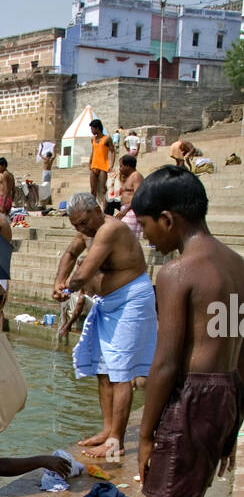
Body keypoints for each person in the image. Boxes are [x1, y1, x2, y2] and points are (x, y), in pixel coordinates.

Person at [94, 168, 244, 497]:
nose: (145, 238)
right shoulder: (238, 266)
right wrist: (235, 421)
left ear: (168, 218)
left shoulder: (177, 272)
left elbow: (163, 365)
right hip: (225, 395)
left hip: (191, 398)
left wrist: (144, 434)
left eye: (147, 226)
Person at [52, 193, 157, 460]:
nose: (82, 230)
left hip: (130, 300)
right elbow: (70, 253)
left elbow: (86, 272)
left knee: (121, 372)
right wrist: (59, 280)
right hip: (107, 303)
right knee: (103, 368)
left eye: (85, 223)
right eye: (76, 226)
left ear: (98, 211)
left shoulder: (110, 229)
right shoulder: (86, 230)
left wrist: (67, 289)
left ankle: (116, 441)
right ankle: (108, 429)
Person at [113, 155, 144, 237]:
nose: (120, 168)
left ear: (128, 166)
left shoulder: (136, 176)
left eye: (121, 166)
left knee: (127, 236)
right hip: (126, 210)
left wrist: (126, 210)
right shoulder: (128, 177)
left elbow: (138, 196)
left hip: (131, 210)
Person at [88, 119, 116, 205]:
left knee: (103, 189)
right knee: (93, 190)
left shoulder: (107, 138)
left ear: (97, 128)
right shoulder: (93, 139)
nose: (91, 131)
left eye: (92, 129)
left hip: (103, 166)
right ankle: (93, 209)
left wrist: (111, 164)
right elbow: (93, 151)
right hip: (94, 166)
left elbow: (112, 151)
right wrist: (90, 162)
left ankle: (105, 210)